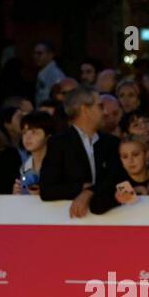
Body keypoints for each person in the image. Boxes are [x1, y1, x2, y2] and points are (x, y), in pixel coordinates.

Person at [39, 88, 121, 217]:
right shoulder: (59, 143)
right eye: (100, 106)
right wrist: (81, 188)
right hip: (71, 223)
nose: (105, 112)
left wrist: (89, 192)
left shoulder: (112, 143)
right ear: (85, 110)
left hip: (111, 220)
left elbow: (115, 179)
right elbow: (47, 189)